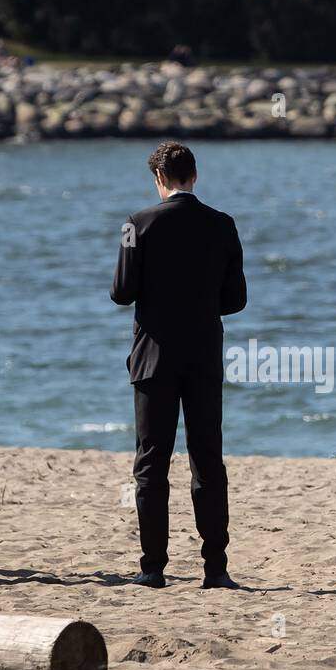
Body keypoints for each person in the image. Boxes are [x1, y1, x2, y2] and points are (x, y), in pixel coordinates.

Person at [110, 142, 247, 590]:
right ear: (194, 176)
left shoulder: (135, 224)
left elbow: (122, 292)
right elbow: (236, 300)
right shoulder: (223, 224)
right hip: (204, 356)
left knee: (151, 463)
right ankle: (216, 568)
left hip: (153, 357)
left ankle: (153, 567)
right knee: (208, 461)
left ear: (158, 179)